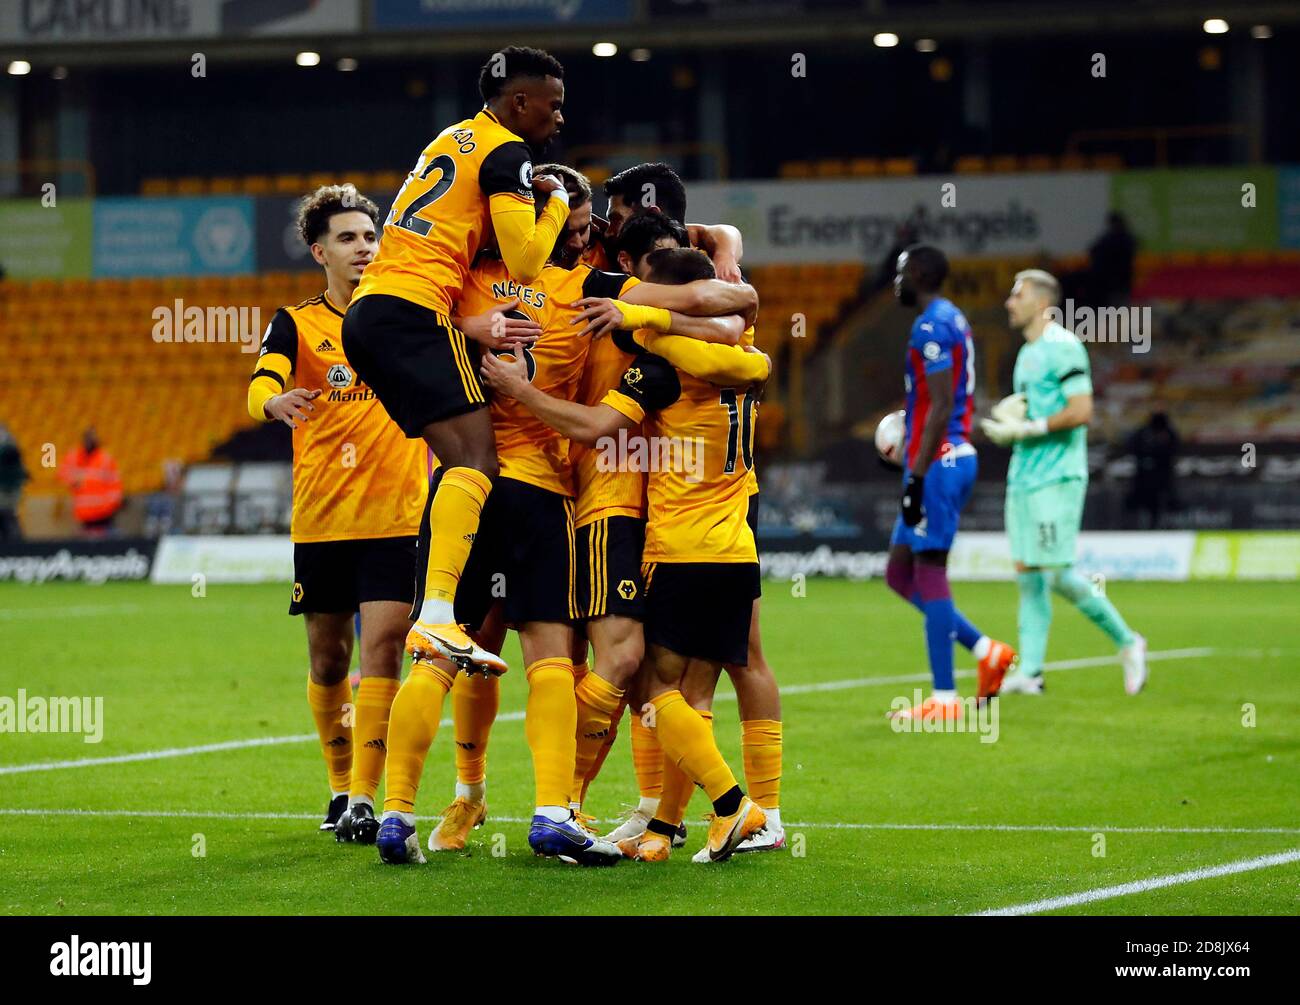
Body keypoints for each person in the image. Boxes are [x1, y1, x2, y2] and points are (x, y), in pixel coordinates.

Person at [482, 247, 772, 863]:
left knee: (648, 686)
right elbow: (738, 323)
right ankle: (667, 829)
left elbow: (592, 427)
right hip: (735, 548)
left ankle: (712, 805)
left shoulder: (665, 363)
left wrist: (519, 386)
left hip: (675, 545)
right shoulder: (745, 360)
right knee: (687, 697)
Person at [342, 46, 569, 676]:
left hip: (371, 315)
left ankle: (439, 612)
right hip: (414, 313)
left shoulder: (454, 137)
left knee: (459, 463)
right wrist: (550, 204)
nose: (558, 118)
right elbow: (525, 260)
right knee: (478, 459)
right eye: (551, 105)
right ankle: (438, 613)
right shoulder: (508, 151)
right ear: (519, 102)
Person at [247, 185, 426, 841]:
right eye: (348, 238)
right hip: (324, 521)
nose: (363, 248)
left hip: (399, 519)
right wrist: (269, 402)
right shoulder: (297, 323)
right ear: (320, 250)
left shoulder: (405, 317)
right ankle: (337, 783)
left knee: (382, 653)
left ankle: (364, 798)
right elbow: (263, 377)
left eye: (370, 236)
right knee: (329, 660)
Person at [982, 269, 1148, 696]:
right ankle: (1032, 674)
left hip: (1057, 477)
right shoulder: (1026, 353)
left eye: (1016, 294)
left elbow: (1081, 410)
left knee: (1056, 574)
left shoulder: (1064, 347)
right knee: (1028, 576)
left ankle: (1128, 642)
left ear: (1041, 303)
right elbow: (1032, 408)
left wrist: (1029, 428)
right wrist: (1011, 416)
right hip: (1024, 477)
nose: (1008, 303)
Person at [886, 245, 1018, 721]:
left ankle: (944, 698)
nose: (895, 281)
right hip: (936, 458)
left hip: (940, 464)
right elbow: (932, 401)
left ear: (918, 273)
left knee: (929, 573)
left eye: (901, 272)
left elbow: (942, 405)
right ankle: (986, 651)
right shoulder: (950, 318)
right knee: (899, 574)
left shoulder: (931, 326)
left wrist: (916, 476)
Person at [58, 428, 123, 536]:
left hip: (103, 514)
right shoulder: (75, 457)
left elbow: (115, 486)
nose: (89, 442)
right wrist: (72, 481)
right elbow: (62, 473)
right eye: (87, 439)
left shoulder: (105, 459)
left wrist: (111, 506)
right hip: (84, 514)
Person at [1126, 411, 1179, 529]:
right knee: (1140, 507)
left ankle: (1160, 527)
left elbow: (1174, 450)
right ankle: (1137, 528)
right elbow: (1132, 446)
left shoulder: (1169, 436)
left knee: (1161, 507)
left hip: (1162, 481)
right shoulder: (1143, 435)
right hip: (1143, 480)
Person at [0, 423, 28, 540]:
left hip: (7, 493)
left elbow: (10, 455)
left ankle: (16, 549)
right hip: (6, 492)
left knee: (8, 520)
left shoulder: (10, 449)